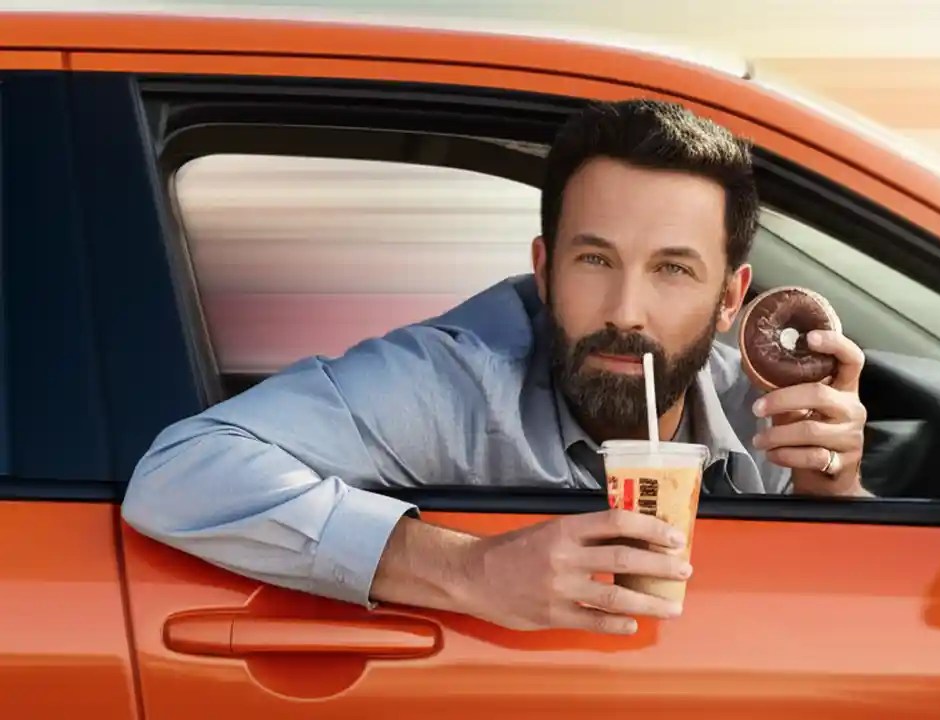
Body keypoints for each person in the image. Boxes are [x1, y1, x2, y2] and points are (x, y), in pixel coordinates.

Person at [121, 98, 870, 636]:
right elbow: (179, 472)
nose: (626, 310)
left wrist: (832, 496)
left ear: (730, 298)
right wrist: (466, 570)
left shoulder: (770, 411)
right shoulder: (450, 380)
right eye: (594, 258)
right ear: (543, 272)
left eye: (673, 270)